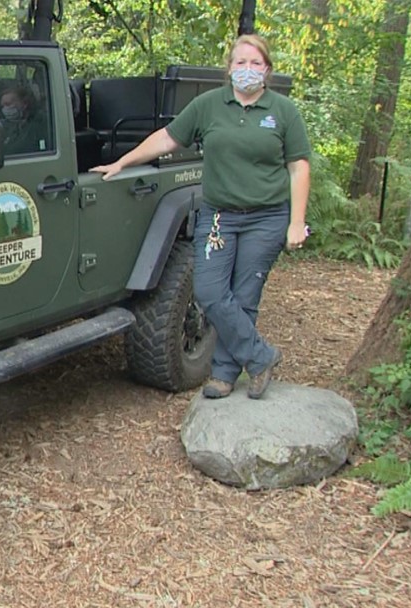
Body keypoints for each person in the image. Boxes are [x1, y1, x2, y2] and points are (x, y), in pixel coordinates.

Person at [90, 34, 311, 400]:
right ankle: (261, 356)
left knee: (244, 296)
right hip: (220, 216)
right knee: (209, 291)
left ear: (268, 70)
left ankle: (224, 375)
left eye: (256, 63)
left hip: (266, 218)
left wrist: (295, 221)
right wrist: (122, 161)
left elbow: (298, 167)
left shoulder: (283, 111)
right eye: (240, 63)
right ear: (229, 69)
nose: (247, 70)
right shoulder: (209, 105)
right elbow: (166, 138)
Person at [0, 84, 45, 155]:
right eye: (2, 106)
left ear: (24, 104)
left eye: (8, 104)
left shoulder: (39, 126)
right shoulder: (14, 128)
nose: (5, 109)